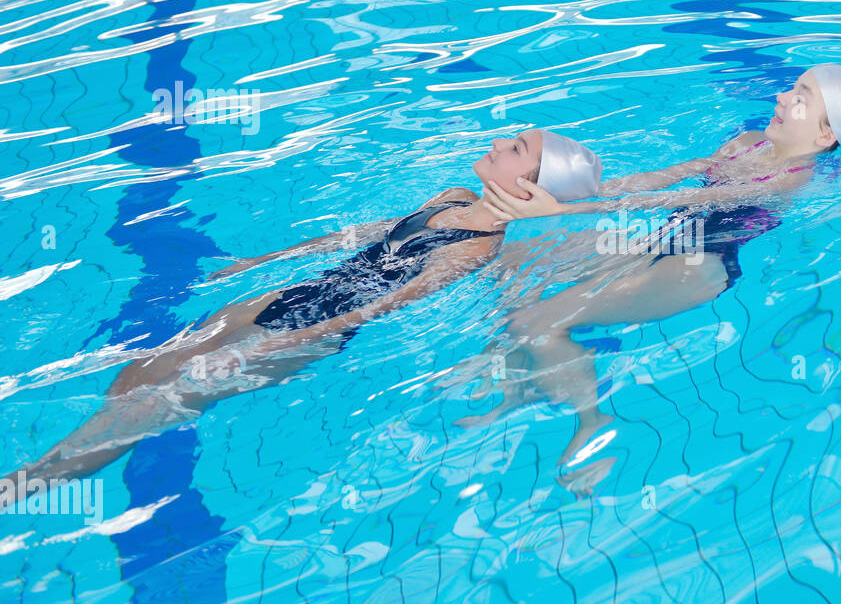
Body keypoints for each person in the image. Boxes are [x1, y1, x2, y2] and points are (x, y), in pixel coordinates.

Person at [0, 129, 603, 506]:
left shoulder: (480, 244)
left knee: (164, 402)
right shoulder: (454, 198)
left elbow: (388, 302)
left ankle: (30, 484)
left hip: (315, 329)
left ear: (526, 186)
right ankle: (54, 460)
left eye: (516, 149)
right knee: (143, 372)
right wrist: (270, 259)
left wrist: (277, 344)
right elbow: (370, 234)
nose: (499, 141)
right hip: (299, 293)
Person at [473, 65, 841, 493]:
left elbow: (690, 197)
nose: (783, 97)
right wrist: (586, 189)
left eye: (800, 97)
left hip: (696, 268)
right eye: (791, 88)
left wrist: (564, 213)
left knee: (538, 322)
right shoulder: (748, 143)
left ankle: (590, 422)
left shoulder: (793, 178)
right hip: (659, 240)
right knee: (515, 257)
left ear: (826, 135)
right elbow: (670, 177)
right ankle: (513, 373)